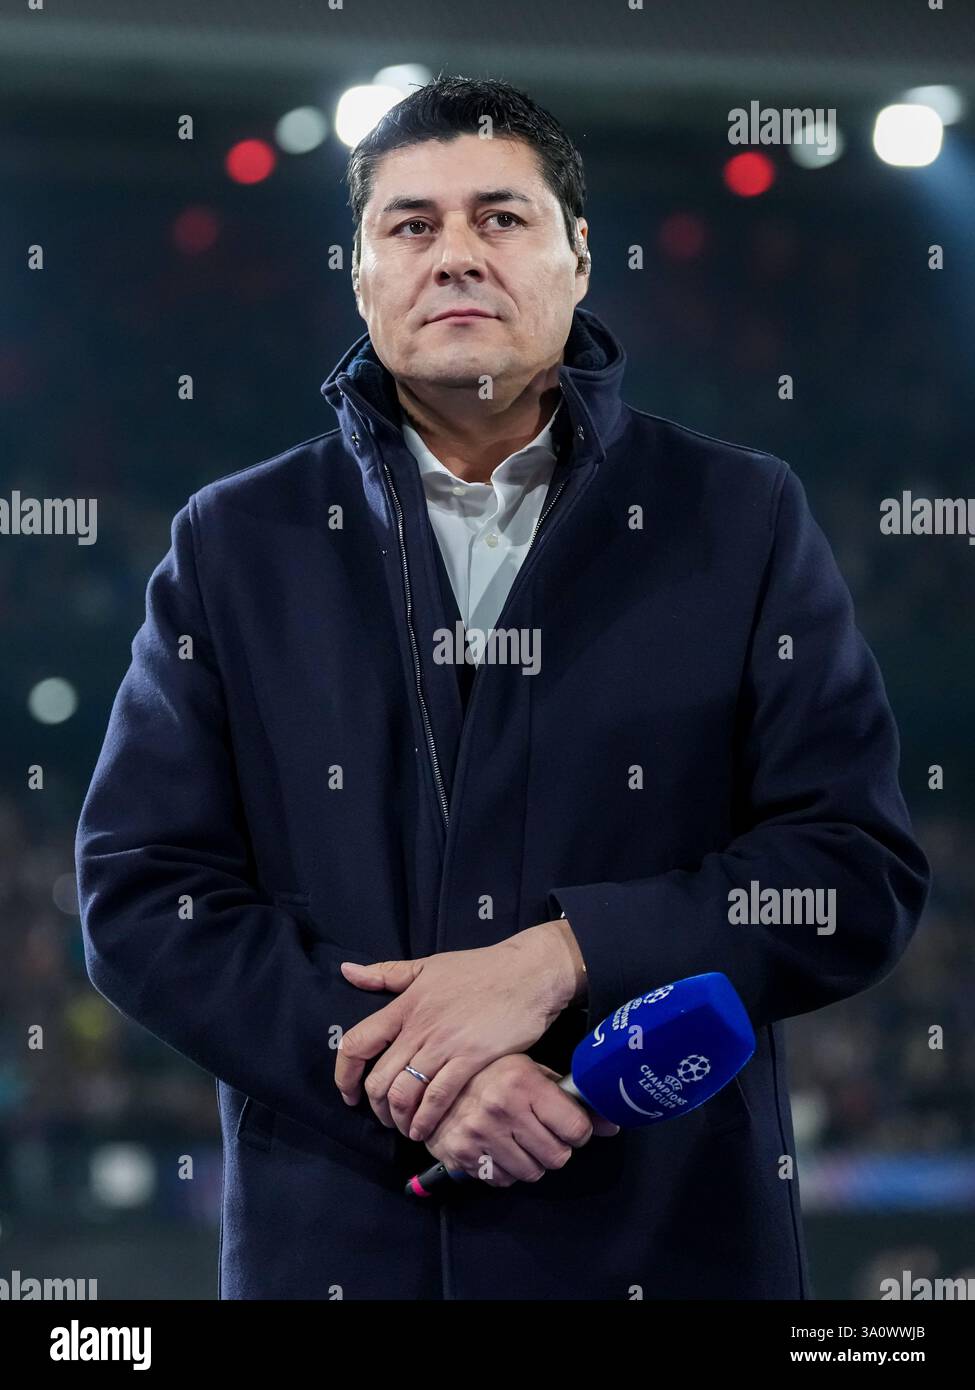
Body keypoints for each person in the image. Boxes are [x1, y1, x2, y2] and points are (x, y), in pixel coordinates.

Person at [75, 75, 931, 1300]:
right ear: (361, 273)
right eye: (411, 225)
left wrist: (570, 955)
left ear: (580, 259)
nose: (455, 256)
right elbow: (146, 899)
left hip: (673, 1250)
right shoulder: (236, 541)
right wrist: (408, 1076)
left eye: (502, 218)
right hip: (343, 1252)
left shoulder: (737, 517)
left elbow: (853, 869)